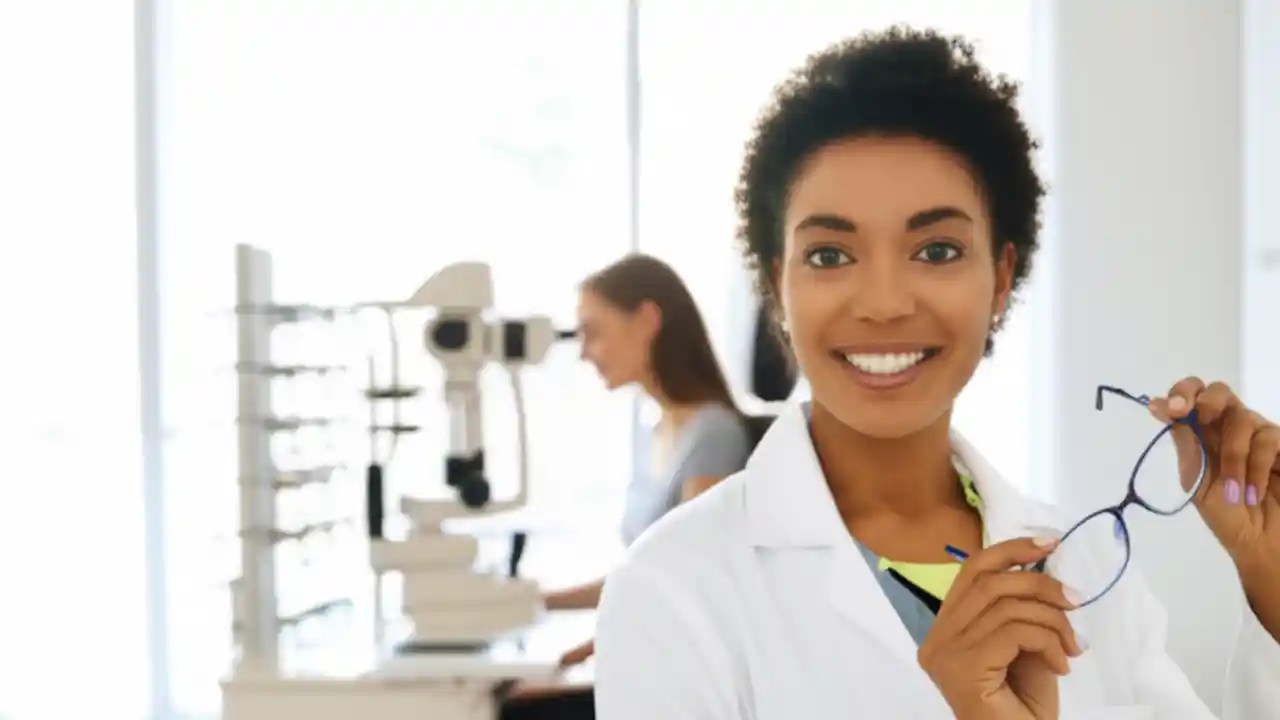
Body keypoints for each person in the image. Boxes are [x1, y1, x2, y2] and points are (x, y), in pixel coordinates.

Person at [594, 28, 1280, 719]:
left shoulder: (1089, 563)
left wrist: (1273, 583)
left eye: (937, 250)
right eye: (830, 255)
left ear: (1001, 277)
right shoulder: (670, 590)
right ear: (779, 284)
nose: (885, 303)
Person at [501, 253, 754, 719]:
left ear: (646, 320)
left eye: (593, 332)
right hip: (649, 658)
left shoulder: (714, 435)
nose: (584, 352)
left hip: (681, 682)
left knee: (516, 708)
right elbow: (641, 577)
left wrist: (591, 649)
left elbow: (689, 582)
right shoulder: (654, 432)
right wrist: (538, 602)